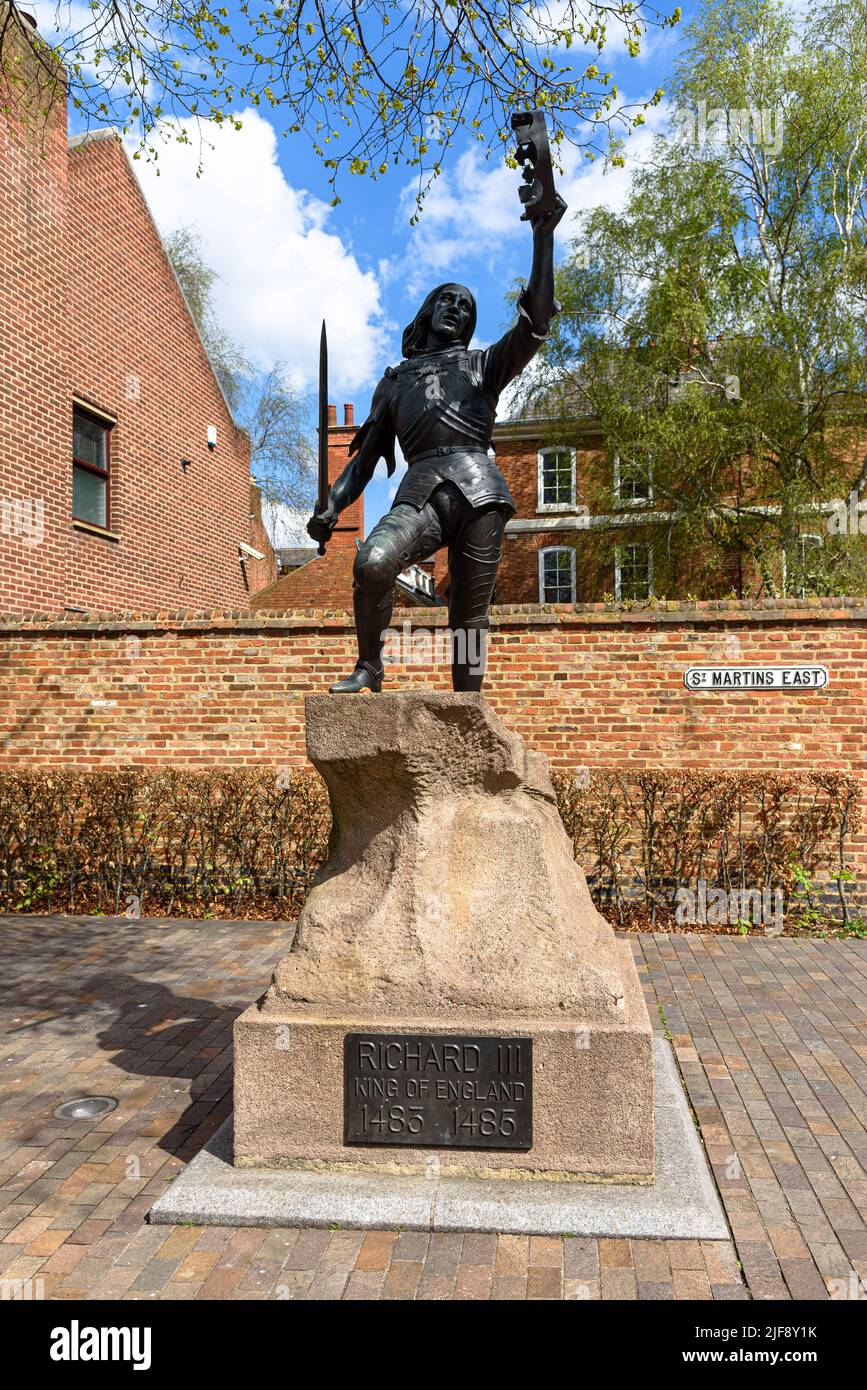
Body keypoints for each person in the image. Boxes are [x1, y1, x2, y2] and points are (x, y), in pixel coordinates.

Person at [307, 189, 566, 693]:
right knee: (374, 561)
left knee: (468, 618)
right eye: (447, 300)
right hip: (420, 489)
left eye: (467, 306)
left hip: (481, 492)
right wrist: (334, 506)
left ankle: (467, 711)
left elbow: (536, 322)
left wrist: (542, 234)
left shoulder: (482, 366)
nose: (457, 309)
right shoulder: (395, 380)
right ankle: (370, 667)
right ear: (427, 312)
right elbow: (363, 461)